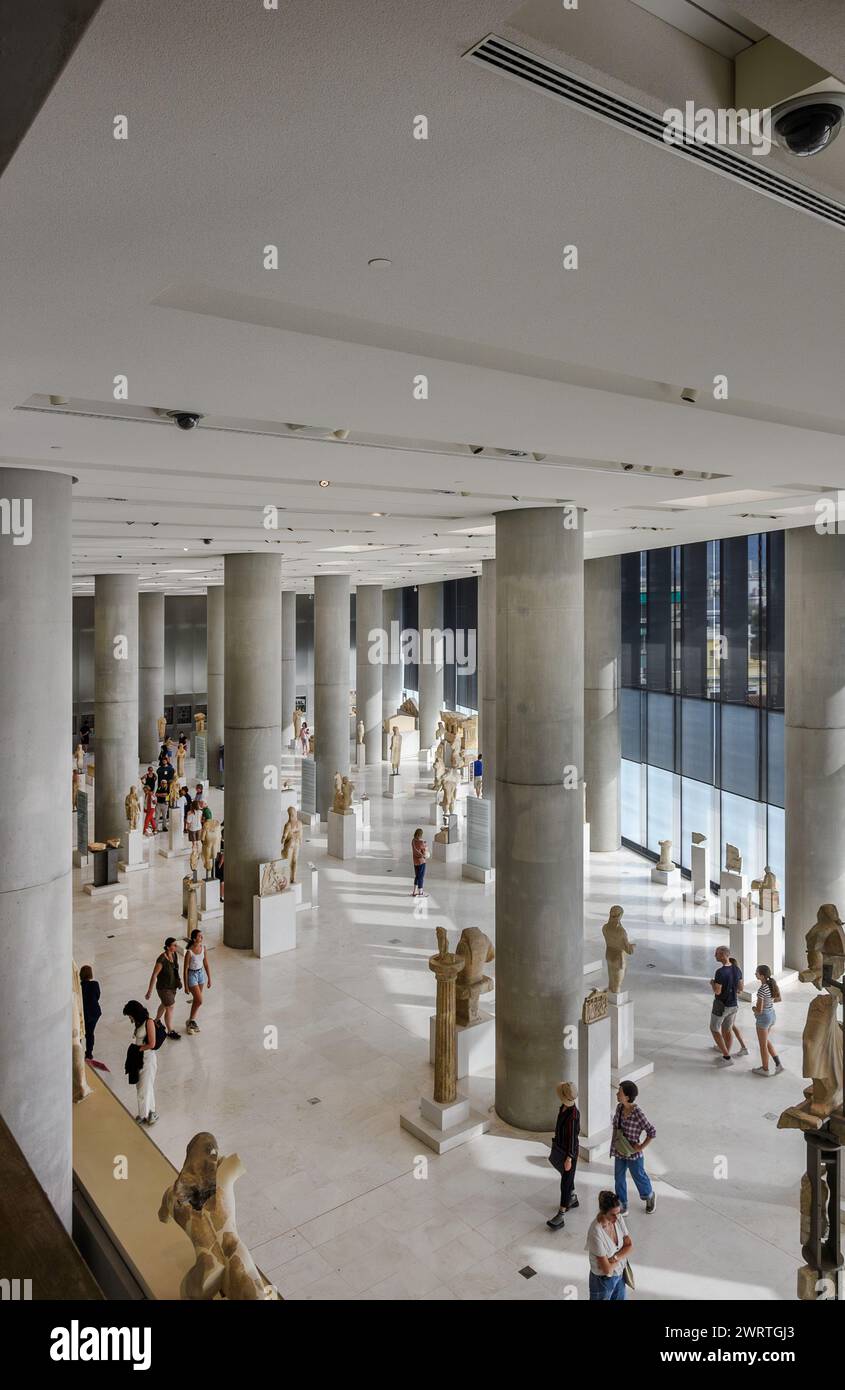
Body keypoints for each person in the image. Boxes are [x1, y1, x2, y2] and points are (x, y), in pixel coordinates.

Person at [611, 1080, 656, 1215]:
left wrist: (640, 1147)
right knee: (619, 1178)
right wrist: (614, 1145)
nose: (617, 1094)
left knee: (639, 1176)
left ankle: (649, 1196)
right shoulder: (619, 1108)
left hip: (632, 1153)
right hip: (620, 1150)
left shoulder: (637, 1113)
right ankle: (622, 1203)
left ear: (627, 1097)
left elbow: (651, 1131)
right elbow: (615, 1126)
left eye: (620, 1092)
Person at [585, 1191, 633, 1300]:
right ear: (603, 1212)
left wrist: (614, 1258)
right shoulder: (595, 1232)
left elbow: (629, 1245)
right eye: (613, 1214)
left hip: (620, 1274)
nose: (617, 1217)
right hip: (602, 1281)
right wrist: (622, 1255)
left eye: (618, 1212)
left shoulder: (618, 1218)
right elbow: (607, 1270)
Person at [547, 1081, 580, 1230]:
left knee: (565, 1181)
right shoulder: (563, 1107)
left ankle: (561, 1213)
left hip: (568, 1152)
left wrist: (569, 1158)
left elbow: (573, 1138)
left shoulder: (573, 1115)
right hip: (560, 1147)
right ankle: (572, 1198)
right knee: (566, 1176)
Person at [122, 1000, 161, 1125]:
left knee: (144, 1088)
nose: (130, 1018)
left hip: (148, 1058)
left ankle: (144, 1114)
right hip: (139, 1058)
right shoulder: (139, 1023)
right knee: (143, 1086)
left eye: (130, 1015)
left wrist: (137, 1049)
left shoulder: (148, 1022)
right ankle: (150, 1113)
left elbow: (152, 1043)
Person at [709, 945, 749, 1063]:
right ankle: (725, 1050)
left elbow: (717, 991)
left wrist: (712, 983)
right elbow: (740, 989)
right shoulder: (737, 969)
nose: (715, 955)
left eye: (716, 953)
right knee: (727, 1030)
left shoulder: (720, 972)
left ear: (722, 955)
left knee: (714, 1029)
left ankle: (726, 1056)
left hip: (721, 1006)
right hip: (733, 1005)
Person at [145, 938, 182, 1040]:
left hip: (172, 986)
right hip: (164, 988)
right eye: (174, 945)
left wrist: (178, 981)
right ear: (168, 946)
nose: (176, 947)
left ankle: (156, 1020)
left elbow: (175, 970)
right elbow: (154, 975)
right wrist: (149, 991)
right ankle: (170, 1031)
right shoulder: (161, 960)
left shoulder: (174, 955)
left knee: (164, 1004)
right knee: (170, 1006)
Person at [751, 964, 784, 1076]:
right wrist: (768, 1003)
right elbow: (778, 999)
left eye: (757, 972)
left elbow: (759, 1010)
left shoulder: (761, 989)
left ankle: (765, 1069)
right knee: (765, 1041)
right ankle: (778, 1064)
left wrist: (753, 1008)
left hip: (763, 1019)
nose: (755, 974)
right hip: (772, 1016)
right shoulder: (772, 985)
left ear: (762, 975)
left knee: (762, 1045)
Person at [183, 928, 211, 1034]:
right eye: (199, 936)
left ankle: (191, 1021)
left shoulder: (203, 948)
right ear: (194, 939)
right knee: (199, 1000)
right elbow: (185, 970)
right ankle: (191, 1020)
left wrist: (209, 978)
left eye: (201, 935)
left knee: (197, 1000)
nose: (202, 937)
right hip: (192, 975)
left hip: (201, 974)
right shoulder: (189, 953)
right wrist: (186, 986)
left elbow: (206, 964)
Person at [79, 964, 101, 1061]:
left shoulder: (79, 986)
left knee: (80, 1033)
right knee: (90, 1033)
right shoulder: (95, 984)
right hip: (94, 1013)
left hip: (83, 1013)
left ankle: (78, 1051)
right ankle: (89, 1054)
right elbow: (97, 996)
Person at [411, 828, 429, 898]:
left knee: (417, 876)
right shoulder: (422, 842)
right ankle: (420, 892)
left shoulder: (413, 841)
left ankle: (414, 891)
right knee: (421, 877)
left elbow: (415, 850)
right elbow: (425, 851)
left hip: (415, 861)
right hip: (421, 861)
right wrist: (425, 845)